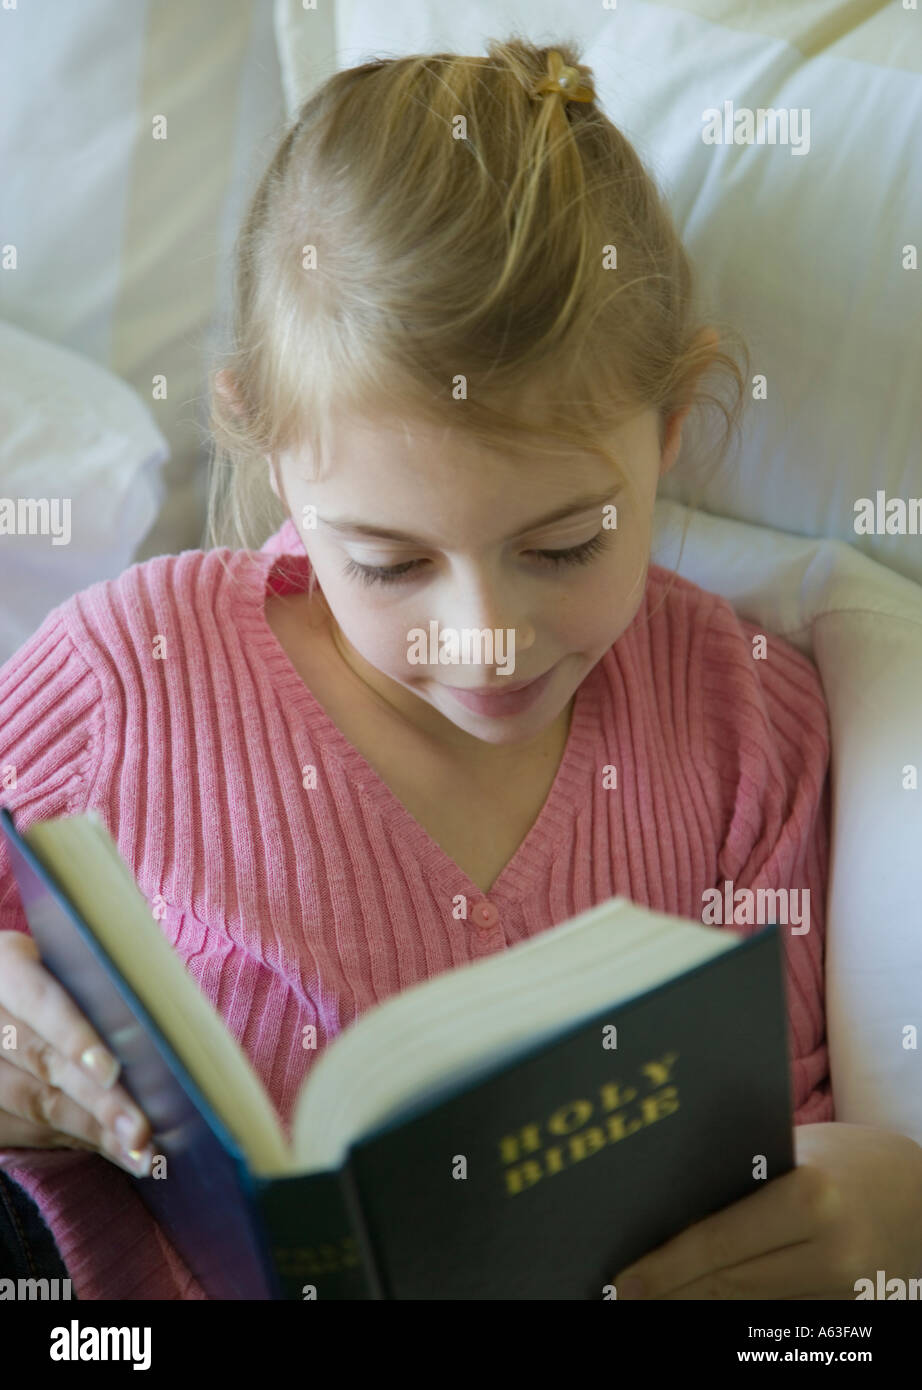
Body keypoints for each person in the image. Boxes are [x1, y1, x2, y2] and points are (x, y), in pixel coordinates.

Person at [1, 39, 920, 1300]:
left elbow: (782, 1133)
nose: (483, 635)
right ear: (274, 459)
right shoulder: (126, 678)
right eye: (386, 563)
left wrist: (881, 1221)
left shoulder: (747, 722)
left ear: (665, 437)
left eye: (561, 547)